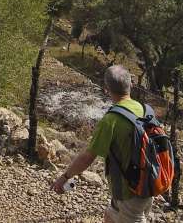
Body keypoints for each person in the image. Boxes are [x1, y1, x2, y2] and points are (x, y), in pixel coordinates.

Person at [51, 65, 154, 223]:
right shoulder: (145, 110)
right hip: (149, 182)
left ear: (106, 89)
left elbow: (87, 157)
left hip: (130, 192)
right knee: (110, 216)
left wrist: (64, 177)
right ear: (131, 85)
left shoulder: (111, 120)